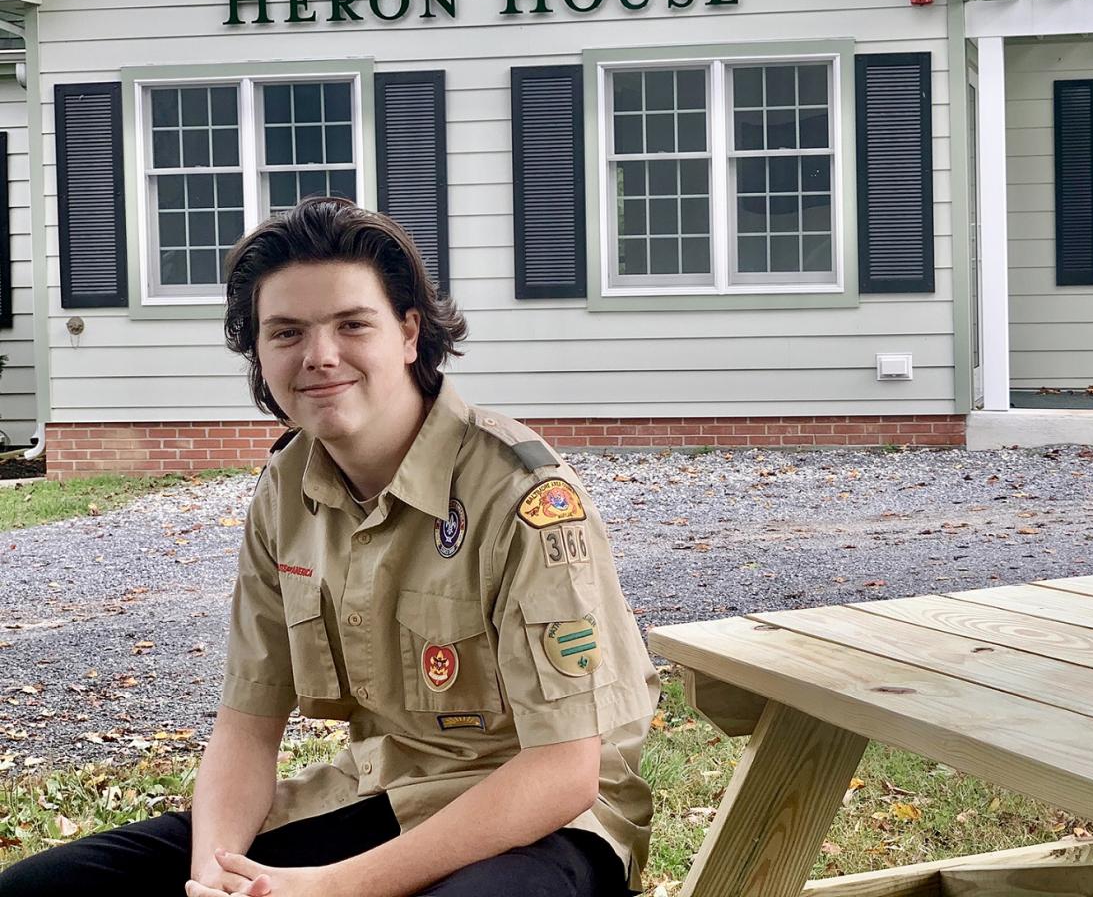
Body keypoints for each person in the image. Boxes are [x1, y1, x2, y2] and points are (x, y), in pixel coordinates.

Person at [0, 198, 659, 897]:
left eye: (352, 324)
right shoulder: (287, 490)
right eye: (286, 332)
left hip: (547, 824)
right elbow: (248, 726)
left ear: (409, 333)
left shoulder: (525, 495)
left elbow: (563, 773)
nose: (319, 356)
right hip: (383, 791)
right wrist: (214, 878)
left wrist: (333, 888)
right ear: (258, 350)